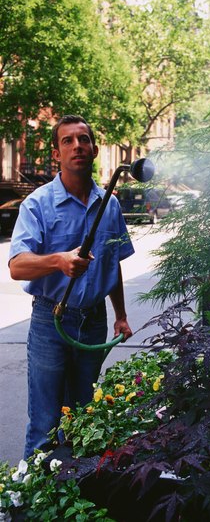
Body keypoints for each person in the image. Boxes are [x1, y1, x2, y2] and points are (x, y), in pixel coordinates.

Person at [9, 114, 134, 459]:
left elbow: (113, 263)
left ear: (94, 150)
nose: (77, 146)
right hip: (52, 321)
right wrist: (58, 261)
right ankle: (32, 503)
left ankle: (73, 497)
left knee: (82, 416)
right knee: (45, 422)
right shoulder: (37, 204)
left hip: (93, 324)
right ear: (57, 152)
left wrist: (120, 315)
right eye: (68, 141)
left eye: (83, 140)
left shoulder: (109, 205)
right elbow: (17, 266)